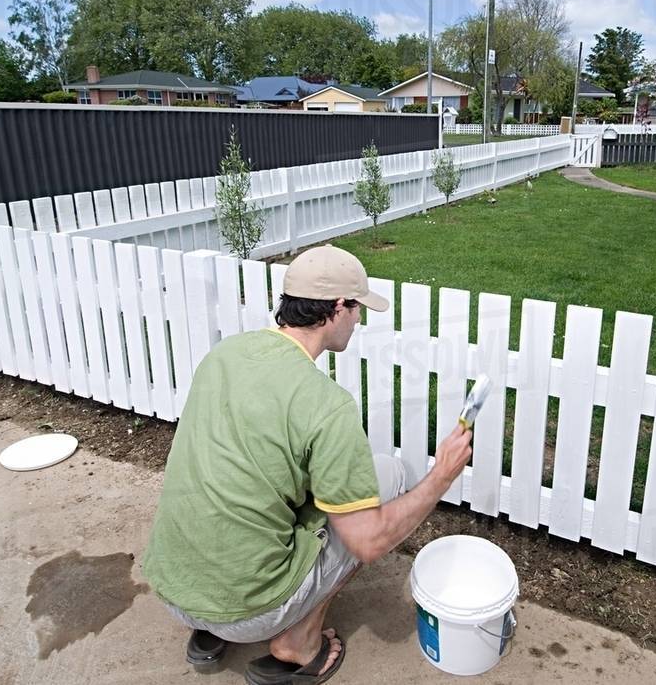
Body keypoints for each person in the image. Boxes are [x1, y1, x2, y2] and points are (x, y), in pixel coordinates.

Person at [142, 245, 473, 684]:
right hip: (249, 611)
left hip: (173, 587)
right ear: (338, 308)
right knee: (390, 475)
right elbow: (369, 542)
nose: (358, 320)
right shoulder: (325, 405)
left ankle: (206, 627)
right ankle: (297, 642)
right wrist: (440, 477)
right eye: (357, 309)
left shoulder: (226, 355)